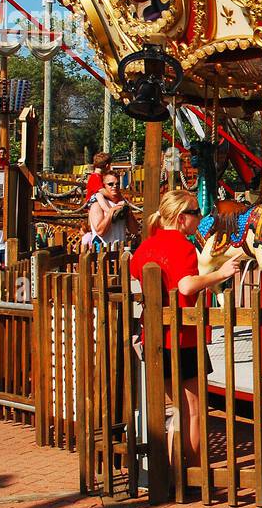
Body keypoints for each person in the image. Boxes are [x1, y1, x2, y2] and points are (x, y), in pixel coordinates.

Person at [129, 189, 240, 468]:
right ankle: (188, 471)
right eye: (194, 212)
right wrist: (220, 273)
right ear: (181, 218)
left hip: (154, 335)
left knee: (174, 408)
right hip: (183, 337)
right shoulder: (182, 246)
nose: (199, 217)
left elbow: (136, 275)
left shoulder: (146, 247)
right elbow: (187, 285)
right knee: (193, 410)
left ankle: (170, 468)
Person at [87, 172, 137, 250]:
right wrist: (111, 212)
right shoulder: (97, 204)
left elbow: (134, 230)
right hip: (103, 252)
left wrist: (128, 212)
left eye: (117, 184)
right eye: (110, 184)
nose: (114, 186)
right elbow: (100, 232)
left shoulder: (121, 203)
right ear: (104, 186)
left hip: (120, 251)